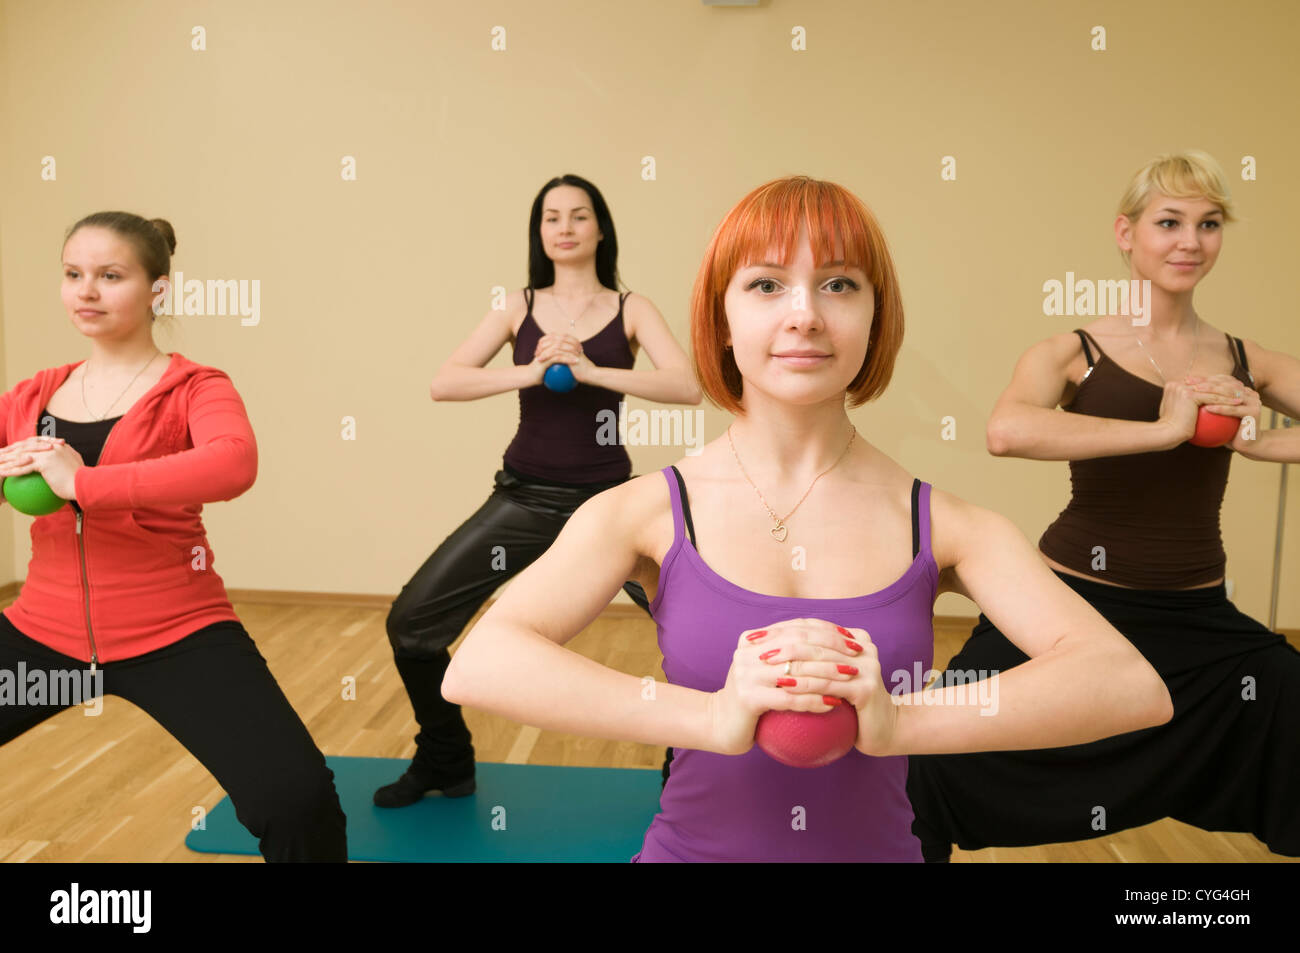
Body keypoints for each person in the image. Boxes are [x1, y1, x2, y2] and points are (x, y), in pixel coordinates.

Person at [441, 175, 1174, 862]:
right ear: (722, 320)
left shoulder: (948, 524)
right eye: (766, 283)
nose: (805, 313)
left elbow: (1125, 684)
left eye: (839, 284)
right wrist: (713, 718)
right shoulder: (642, 512)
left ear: (873, 315)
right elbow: (483, 662)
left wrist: (898, 722)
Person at [906, 150, 1300, 861]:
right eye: (1169, 221)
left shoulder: (1244, 359)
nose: (1190, 240)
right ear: (1127, 234)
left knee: (1288, 702)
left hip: (1196, 617)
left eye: (1209, 224)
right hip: (1067, 602)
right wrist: (1163, 431)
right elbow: (1008, 430)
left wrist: (1260, 438)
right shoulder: (1074, 350)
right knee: (932, 748)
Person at [0, 212, 347, 861]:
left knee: (298, 799)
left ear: (158, 289)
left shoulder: (194, 387)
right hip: (41, 631)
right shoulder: (31, 395)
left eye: (111, 275)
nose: (87, 291)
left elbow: (232, 461)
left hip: (175, 633)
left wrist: (85, 483)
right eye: (73, 274)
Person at [375, 174, 700, 807]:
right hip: (524, 497)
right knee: (412, 625)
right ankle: (446, 760)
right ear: (540, 232)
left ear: (600, 228)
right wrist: (529, 369)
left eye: (580, 216)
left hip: (610, 507)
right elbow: (446, 383)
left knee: (695, 633)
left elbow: (686, 386)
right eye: (552, 217)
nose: (566, 227)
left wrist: (587, 369)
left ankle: (689, 772)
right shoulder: (516, 305)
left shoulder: (630, 307)